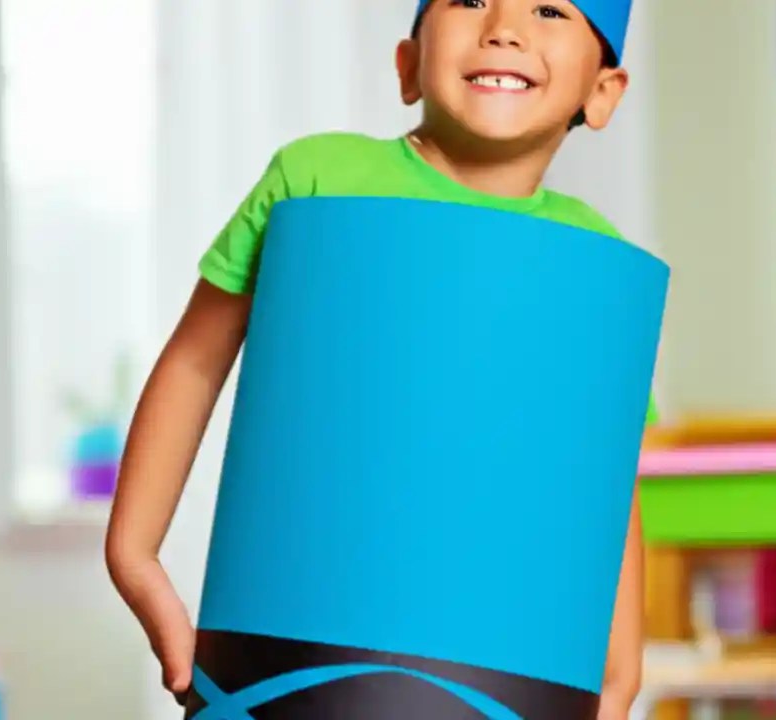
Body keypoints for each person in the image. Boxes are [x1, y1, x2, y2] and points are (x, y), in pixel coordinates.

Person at [106, 0, 652, 716]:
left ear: (603, 92)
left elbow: (599, 478)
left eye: (550, 9)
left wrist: (618, 675)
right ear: (406, 64)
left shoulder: (595, 264)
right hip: (281, 658)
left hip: (496, 680)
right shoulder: (315, 178)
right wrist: (135, 558)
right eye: (470, 0)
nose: (505, 28)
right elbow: (194, 362)